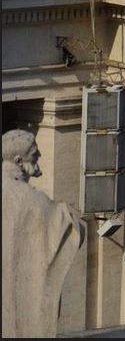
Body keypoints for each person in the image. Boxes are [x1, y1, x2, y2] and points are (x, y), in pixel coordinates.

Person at [2, 129, 86, 338]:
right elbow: (71, 227)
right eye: (34, 154)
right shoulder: (33, 200)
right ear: (19, 160)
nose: (39, 156)